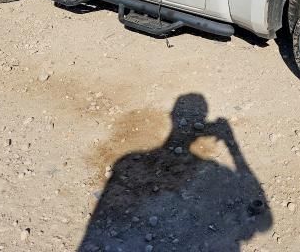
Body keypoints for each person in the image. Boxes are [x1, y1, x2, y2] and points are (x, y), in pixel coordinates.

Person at [79, 93, 272, 251]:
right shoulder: (218, 171)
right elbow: (264, 224)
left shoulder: (126, 161)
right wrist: (232, 145)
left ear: (172, 117)